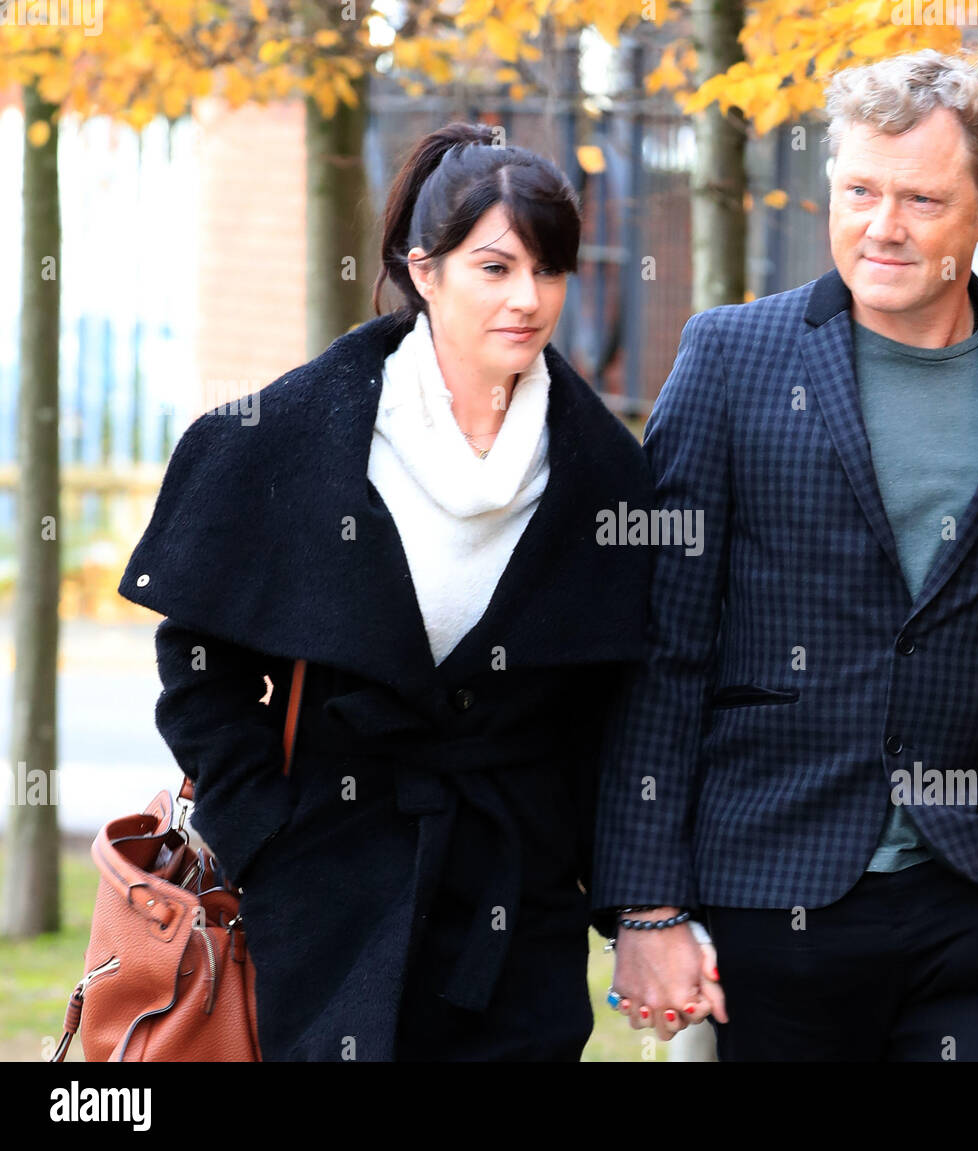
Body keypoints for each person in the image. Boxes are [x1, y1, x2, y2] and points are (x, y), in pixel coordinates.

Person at [593, 50, 978, 1060]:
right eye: (858, 190)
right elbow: (661, 648)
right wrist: (646, 903)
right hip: (767, 899)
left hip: (974, 908)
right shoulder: (729, 358)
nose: (882, 226)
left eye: (919, 197)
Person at [118, 123, 663, 1061]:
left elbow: (619, 709)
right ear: (426, 270)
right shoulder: (290, 436)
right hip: (323, 887)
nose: (527, 300)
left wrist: (591, 880)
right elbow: (197, 661)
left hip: (513, 903)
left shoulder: (606, 473)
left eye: (549, 270)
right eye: (494, 268)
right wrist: (264, 836)